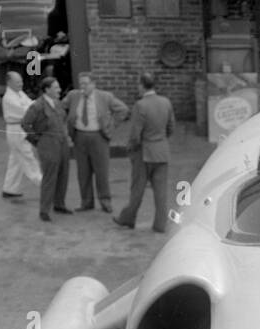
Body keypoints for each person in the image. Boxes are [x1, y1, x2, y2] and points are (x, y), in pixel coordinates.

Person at [115, 72, 175, 233]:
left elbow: (135, 134)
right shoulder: (166, 102)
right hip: (161, 151)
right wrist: (160, 140)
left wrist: (131, 148)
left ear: (142, 85)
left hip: (144, 153)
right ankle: (160, 224)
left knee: (137, 190)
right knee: (161, 192)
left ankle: (128, 218)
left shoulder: (140, 105)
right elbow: (171, 127)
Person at [62, 71, 128, 212]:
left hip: (99, 137)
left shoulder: (105, 97)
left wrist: (111, 125)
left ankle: (105, 201)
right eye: (81, 84)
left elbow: (123, 109)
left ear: (93, 84)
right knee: (83, 172)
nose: (83, 87)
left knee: (101, 171)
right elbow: (60, 107)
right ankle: (86, 202)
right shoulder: (73, 96)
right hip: (79, 137)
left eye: (86, 84)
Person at [21, 77, 73, 223]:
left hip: (61, 142)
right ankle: (44, 209)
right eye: (56, 88)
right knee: (50, 177)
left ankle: (59, 204)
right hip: (48, 144)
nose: (59, 90)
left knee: (63, 173)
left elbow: (62, 121)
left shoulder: (57, 103)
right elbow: (25, 123)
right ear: (47, 90)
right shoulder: (37, 106)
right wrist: (37, 141)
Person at [1, 70, 43, 202]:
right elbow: (28, 109)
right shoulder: (9, 98)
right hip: (16, 130)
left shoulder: (18, 93)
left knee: (16, 160)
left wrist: (33, 104)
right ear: (9, 83)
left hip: (19, 129)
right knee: (28, 158)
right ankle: (45, 185)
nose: (21, 84)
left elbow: (30, 103)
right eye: (18, 82)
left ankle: (10, 188)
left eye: (21, 81)